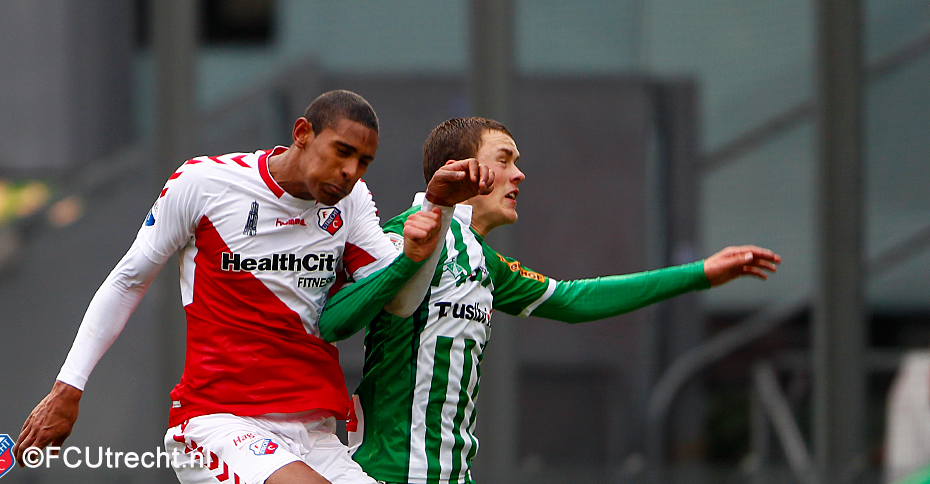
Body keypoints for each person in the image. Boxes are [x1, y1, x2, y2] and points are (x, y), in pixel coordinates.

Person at [14, 91, 493, 484]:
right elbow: (127, 280)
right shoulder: (205, 182)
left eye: (364, 162)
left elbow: (400, 302)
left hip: (315, 434)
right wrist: (68, 389)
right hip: (220, 423)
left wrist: (437, 212)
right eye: (342, 152)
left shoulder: (351, 205)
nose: (351, 171)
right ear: (302, 133)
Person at [319, 116, 782, 484]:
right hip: (387, 475)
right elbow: (336, 317)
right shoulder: (407, 234)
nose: (519, 173)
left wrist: (699, 273)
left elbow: (574, 300)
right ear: (465, 168)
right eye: (505, 159)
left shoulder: (483, 260)